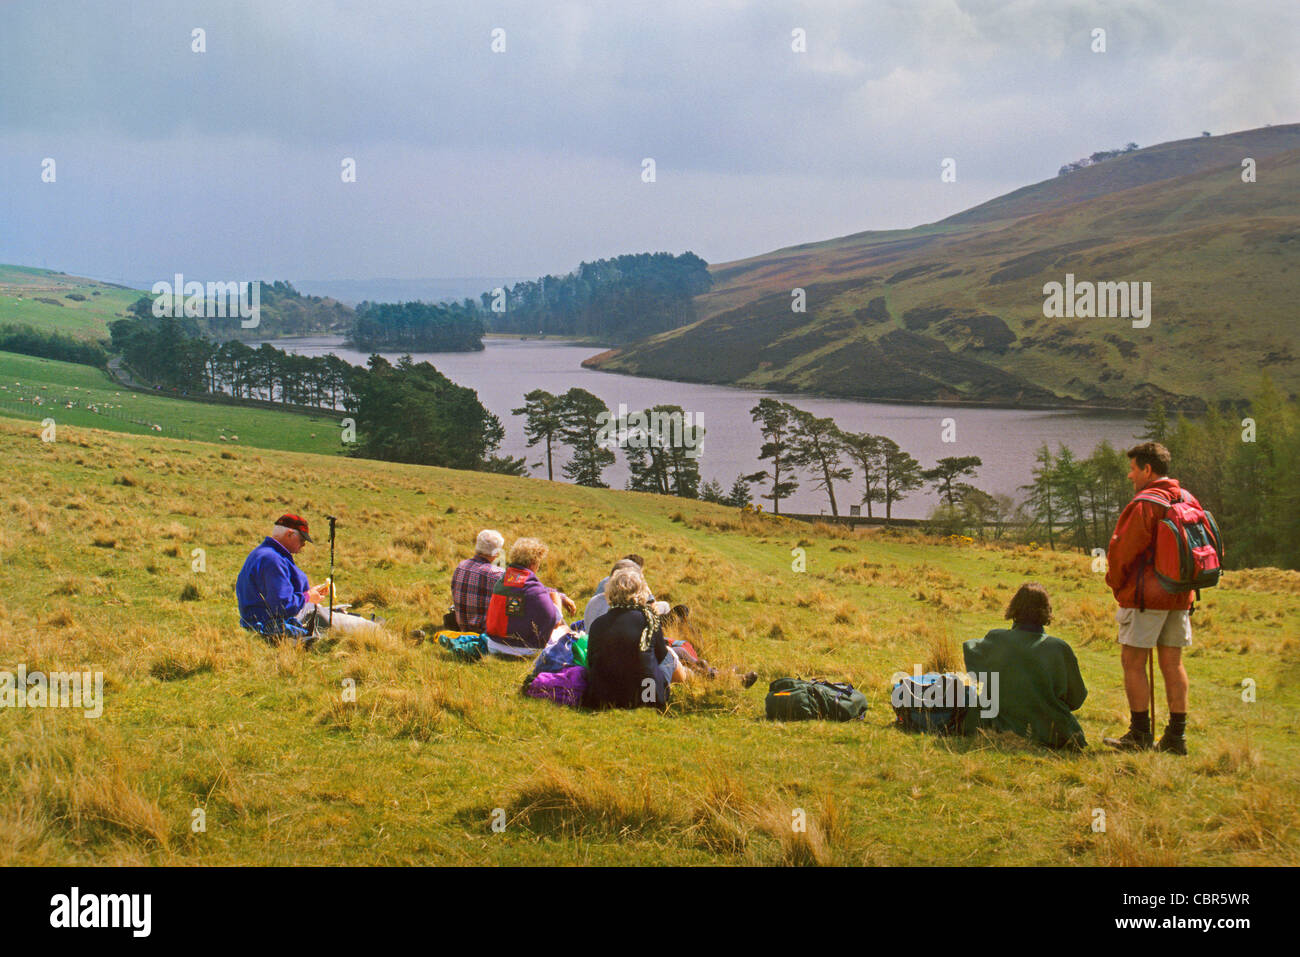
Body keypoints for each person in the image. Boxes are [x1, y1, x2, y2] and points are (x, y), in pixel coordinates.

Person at [1102, 442, 1200, 755]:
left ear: (1147, 469)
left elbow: (1122, 552)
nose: (1130, 476)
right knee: (1172, 664)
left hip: (1145, 598)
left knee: (1133, 662)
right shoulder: (1187, 498)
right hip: (1180, 595)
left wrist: (1118, 588)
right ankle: (1176, 737)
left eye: (1132, 469)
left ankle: (1140, 734)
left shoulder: (1145, 503)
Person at [962, 583, 1087, 749]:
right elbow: (1076, 699)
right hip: (1054, 732)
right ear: (1047, 610)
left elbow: (972, 659)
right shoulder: (1059, 648)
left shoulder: (996, 639)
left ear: (1014, 607)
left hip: (999, 727)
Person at [235, 513, 381, 643]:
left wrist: (309, 593)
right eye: (302, 539)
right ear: (290, 534)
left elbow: (277, 597)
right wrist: (307, 597)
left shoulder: (264, 553)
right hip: (277, 624)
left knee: (343, 616)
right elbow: (283, 607)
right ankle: (372, 627)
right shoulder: (273, 560)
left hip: (261, 621)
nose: (303, 544)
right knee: (371, 629)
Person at [585, 565, 687, 710]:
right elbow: (660, 657)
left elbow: (591, 662)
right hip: (647, 698)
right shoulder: (649, 620)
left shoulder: (598, 624)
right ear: (641, 593)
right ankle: (690, 684)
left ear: (610, 592)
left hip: (603, 699)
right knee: (670, 655)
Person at [483, 537, 575, 655]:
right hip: (524, 649)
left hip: (494, 645)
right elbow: (554, 621)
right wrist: (557, 598)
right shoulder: (533, 589)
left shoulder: (503, 581)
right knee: (564, 630)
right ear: (533, 563)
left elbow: (516, 606)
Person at [584, 554, 668, 627]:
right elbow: (653, 611)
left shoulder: (594, 600)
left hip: (590, 636)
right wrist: (649, 595)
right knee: (664, 606)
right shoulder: (631, 613)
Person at [448, 529, 505, 631]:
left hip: (462, 628)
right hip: (486, 634)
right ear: (496, 553)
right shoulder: (497, 574)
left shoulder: (461, 566)